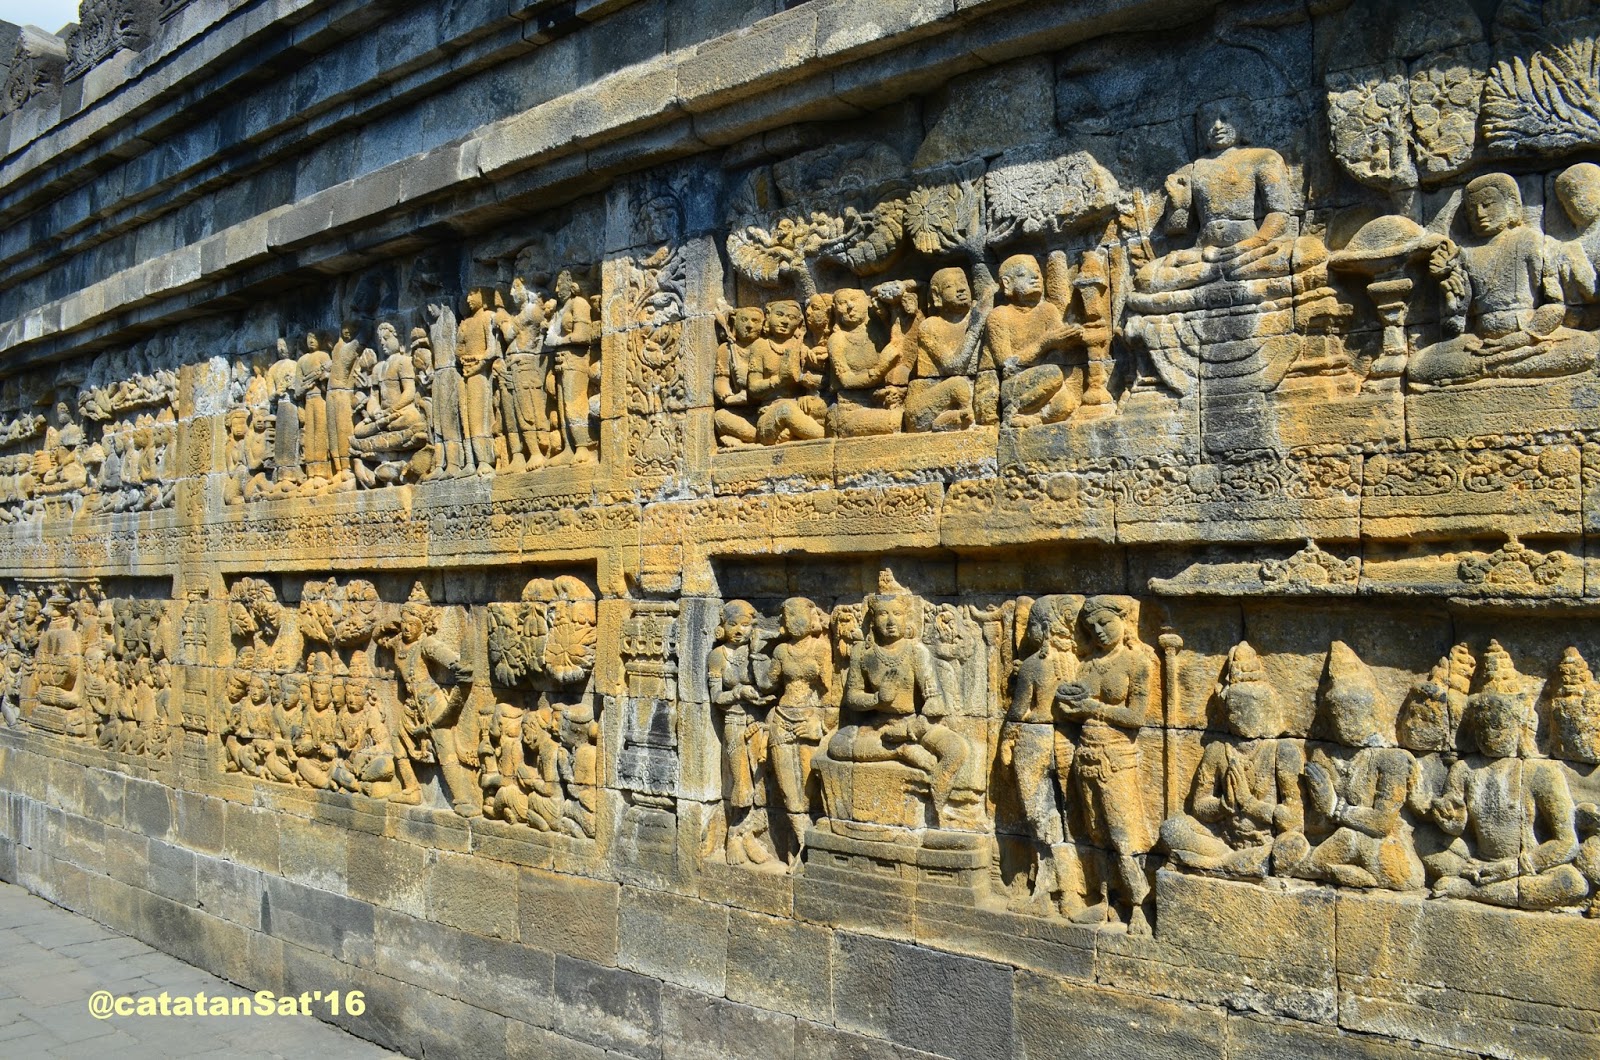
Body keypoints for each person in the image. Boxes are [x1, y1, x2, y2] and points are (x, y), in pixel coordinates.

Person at [1409, 172, 1599, 389]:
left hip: (1527, 337)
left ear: (1511, 204)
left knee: (1585, 347)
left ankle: (1489, 368)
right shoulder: (1464, 255)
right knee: (1417, 365)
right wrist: (1452, 302)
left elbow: (1555, 305)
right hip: (1480, 342)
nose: (1480, 214)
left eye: (1488, 204)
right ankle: (1501, 366)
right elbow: (1455, 327)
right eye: (1472, 209)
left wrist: (1523, 338)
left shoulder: (1532, 242)